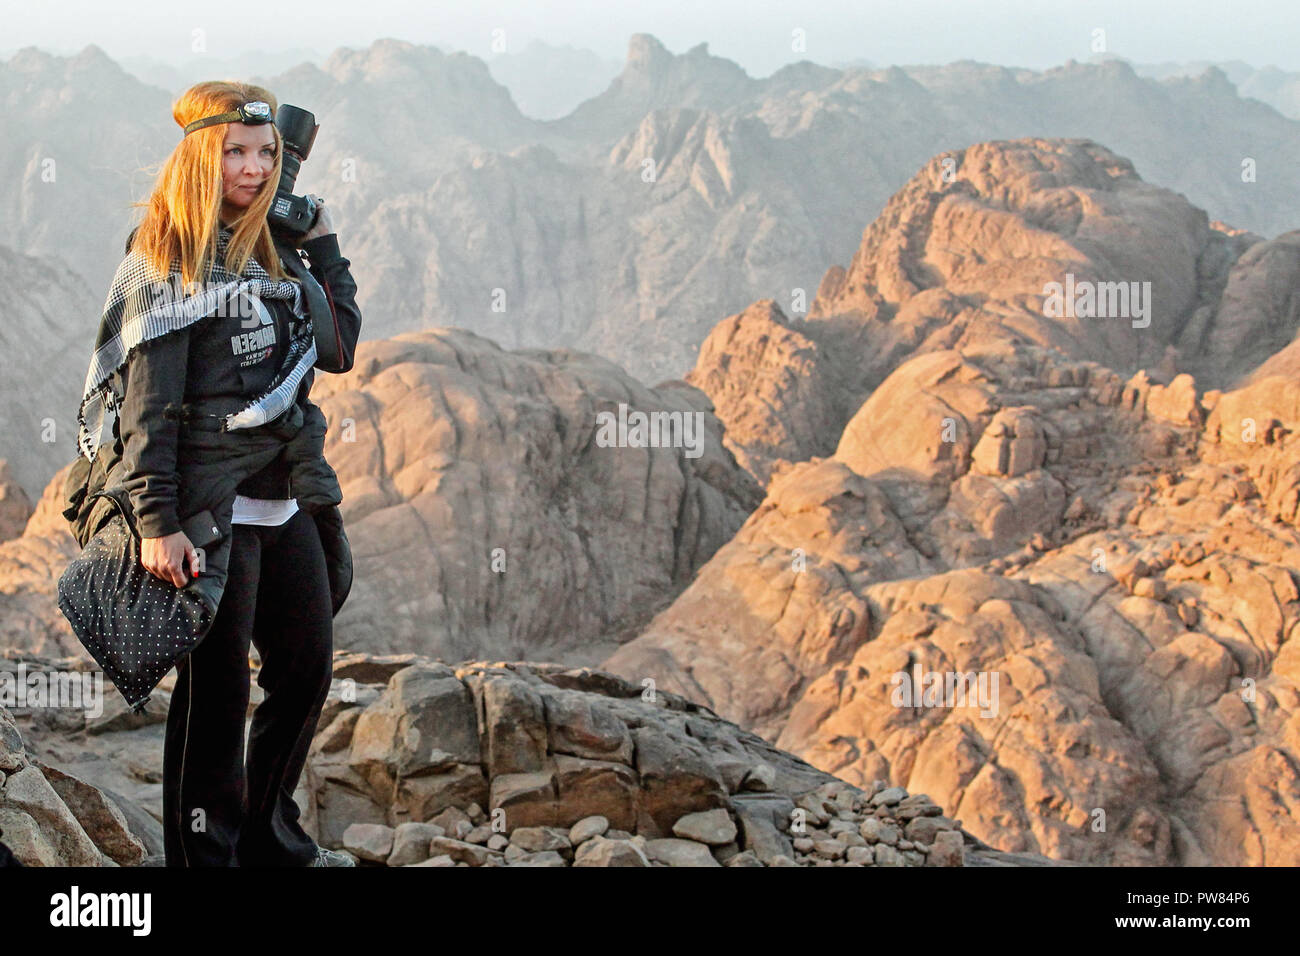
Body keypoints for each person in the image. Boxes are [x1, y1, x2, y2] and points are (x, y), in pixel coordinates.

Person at [109, 81, 362, 866]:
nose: (254, 169)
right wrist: (158, 521)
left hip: (284, 496)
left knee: (306, 668)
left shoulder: (275, 244)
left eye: (266, 153)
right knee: (215, 697)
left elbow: (340, 348)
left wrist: (325, 248)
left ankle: (270, 841)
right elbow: (149, 405)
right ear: (199, 157)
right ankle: (203, 856)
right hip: (208, 505)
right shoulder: (168, 253)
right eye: (236, 153)